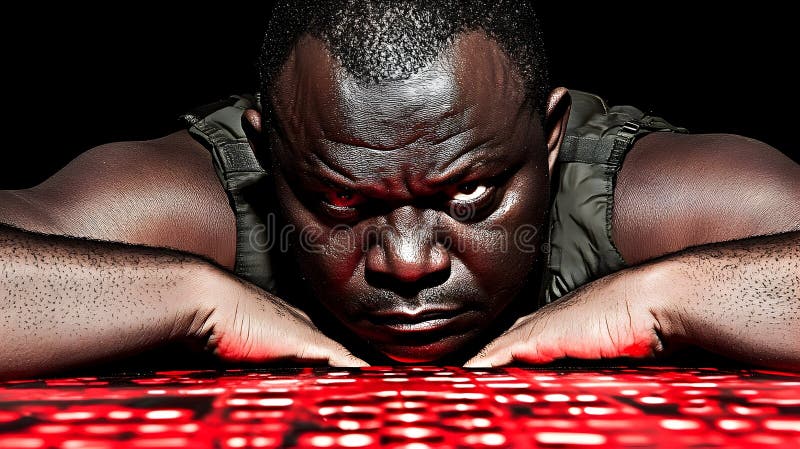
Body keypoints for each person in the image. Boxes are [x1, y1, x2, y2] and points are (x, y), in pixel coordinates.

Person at [0, 0, 797, 379]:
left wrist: (658, 297)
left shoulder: (642, 192)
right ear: (266, 154)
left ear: (550, 144)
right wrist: (191, 296)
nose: (408, 264)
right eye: (342, 201)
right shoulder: (196, 200)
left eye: (471, 194)